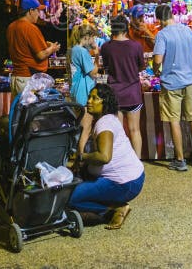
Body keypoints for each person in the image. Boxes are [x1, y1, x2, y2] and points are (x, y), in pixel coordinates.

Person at [68, 84, 145, 230]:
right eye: (89, 97)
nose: (89, 101)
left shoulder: (104, 124)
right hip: (133, 178)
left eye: (95, 98)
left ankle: (112, 210)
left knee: (71, 198)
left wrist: (82, 157)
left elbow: (104, 157)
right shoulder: (108, 118)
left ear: (105, 103)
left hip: (124, 184)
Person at [152, 4, 192, 171]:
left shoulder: (162, 35)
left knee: (174, 120)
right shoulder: (187, 30)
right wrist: (189, 61)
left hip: (171, 83)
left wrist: (156, 71)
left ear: (160, 20)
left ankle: (180, 160)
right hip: (190, 81)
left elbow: (158, 60)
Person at [99, 14, 145, 158]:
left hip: (115, 94)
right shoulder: (136, 46)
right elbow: (141, 67)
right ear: (126, 29)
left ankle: (118, 160)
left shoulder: (106, 47)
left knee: (117, 131)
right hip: (133, 93)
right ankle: (137, 162)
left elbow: (106, 67)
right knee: (134, 130)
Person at [5, 0, 61, 99]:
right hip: (28, 79)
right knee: (32, 113)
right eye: (38, 11)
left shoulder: (11, 26)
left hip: (16, 78)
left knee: (20, 113)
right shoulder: (30, 28)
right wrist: (52, 48)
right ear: (31, 10)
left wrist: (45, 45)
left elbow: (24, 47)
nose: (39, 14)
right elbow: (40, 55)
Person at [70, 23, 99, 155]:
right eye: (93, 37)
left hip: (77, 91)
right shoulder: (82, 51)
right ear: (87, 37)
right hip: (84, 93)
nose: (94, 41)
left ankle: (79, 158)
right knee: (86, 128)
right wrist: (97, 54)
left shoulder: (73, 49)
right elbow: (93, 72)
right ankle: (81, 158)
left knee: (81, 127)